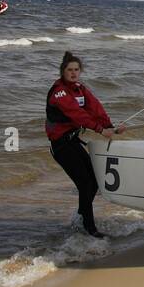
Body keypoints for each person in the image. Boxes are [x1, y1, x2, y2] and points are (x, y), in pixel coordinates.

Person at [46, 51, 123, 237]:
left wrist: (109, 126)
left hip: (73, 142)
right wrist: (100, 130)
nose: (73, 73)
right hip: (61, 146)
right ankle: (90, 229)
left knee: (95, 181)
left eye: (76, 70)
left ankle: (81, 219)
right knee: (85, 184)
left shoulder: (80, 89)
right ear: (62, 71)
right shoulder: (59, 92)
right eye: (69, 70)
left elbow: (95, 108)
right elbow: (77, 114)